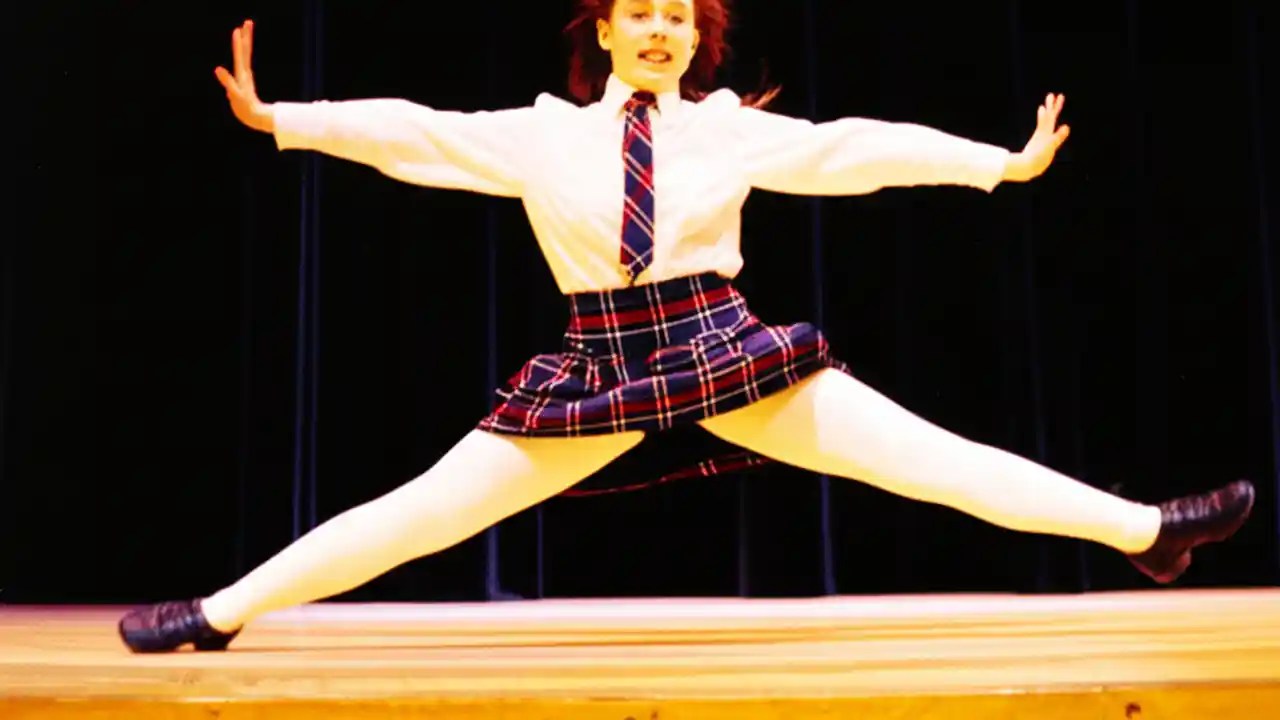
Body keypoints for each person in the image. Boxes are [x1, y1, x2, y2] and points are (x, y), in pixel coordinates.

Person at [119, 0, 1255, 653]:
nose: (658, 30)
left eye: (676, 15)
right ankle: (219, 615)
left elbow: (852, 149)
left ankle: (1146, 528)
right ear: (603, 32)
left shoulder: (724, 129)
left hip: (724, 345)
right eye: (639, 14)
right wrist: (284, 120)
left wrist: (991, 168)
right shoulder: (539, 135)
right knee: (420, 513)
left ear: (691, 33)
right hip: (598, 360)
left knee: (932, 463)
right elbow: (414, 133)